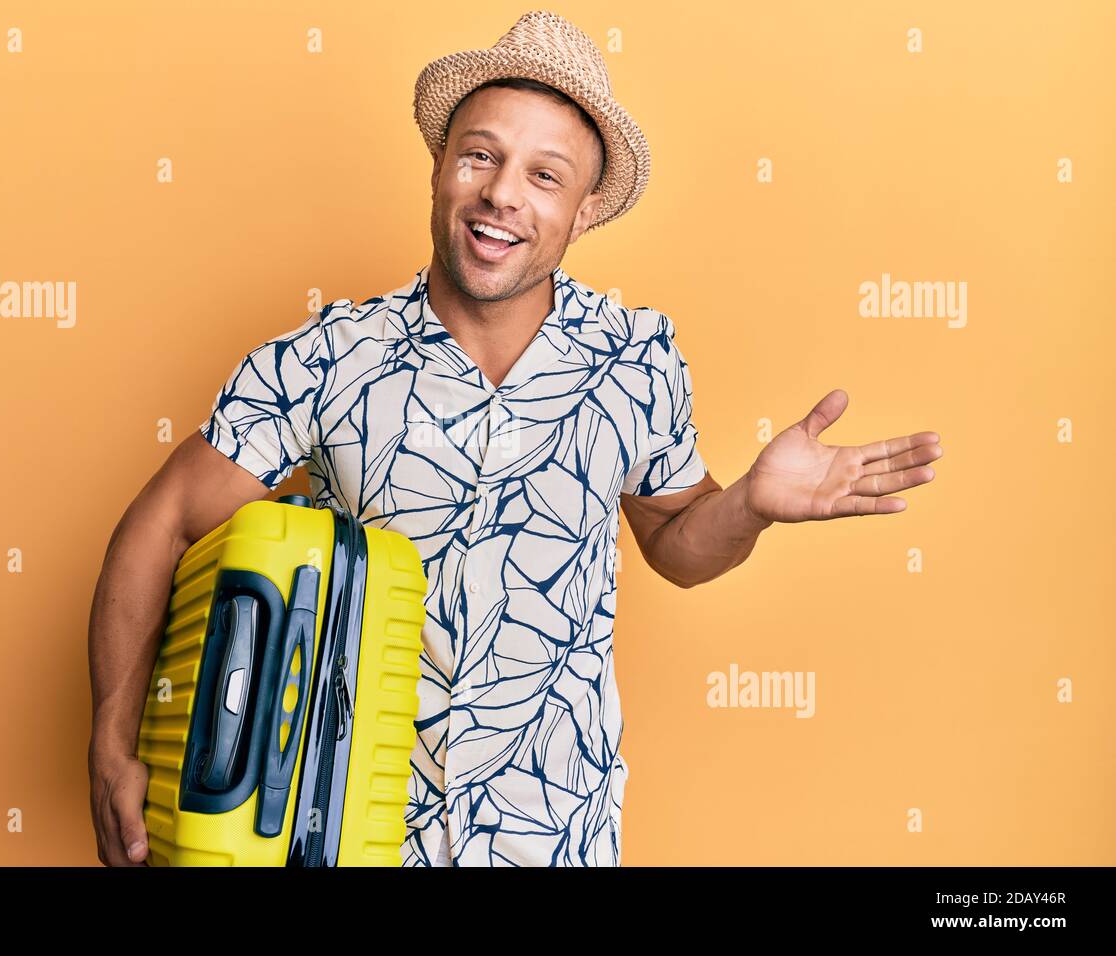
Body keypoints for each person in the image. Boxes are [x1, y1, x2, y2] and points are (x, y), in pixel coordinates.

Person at [88, 10, 943, 867]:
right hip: (346, 837)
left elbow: (678, 547)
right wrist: (112, 746)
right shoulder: (326, 358)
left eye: (545, 175)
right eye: (481, 156)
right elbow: (161, 522)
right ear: (439, 169)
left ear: (584, 209)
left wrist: (750, 505)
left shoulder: (635, 358)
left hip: (559, 837)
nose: (503, 194)